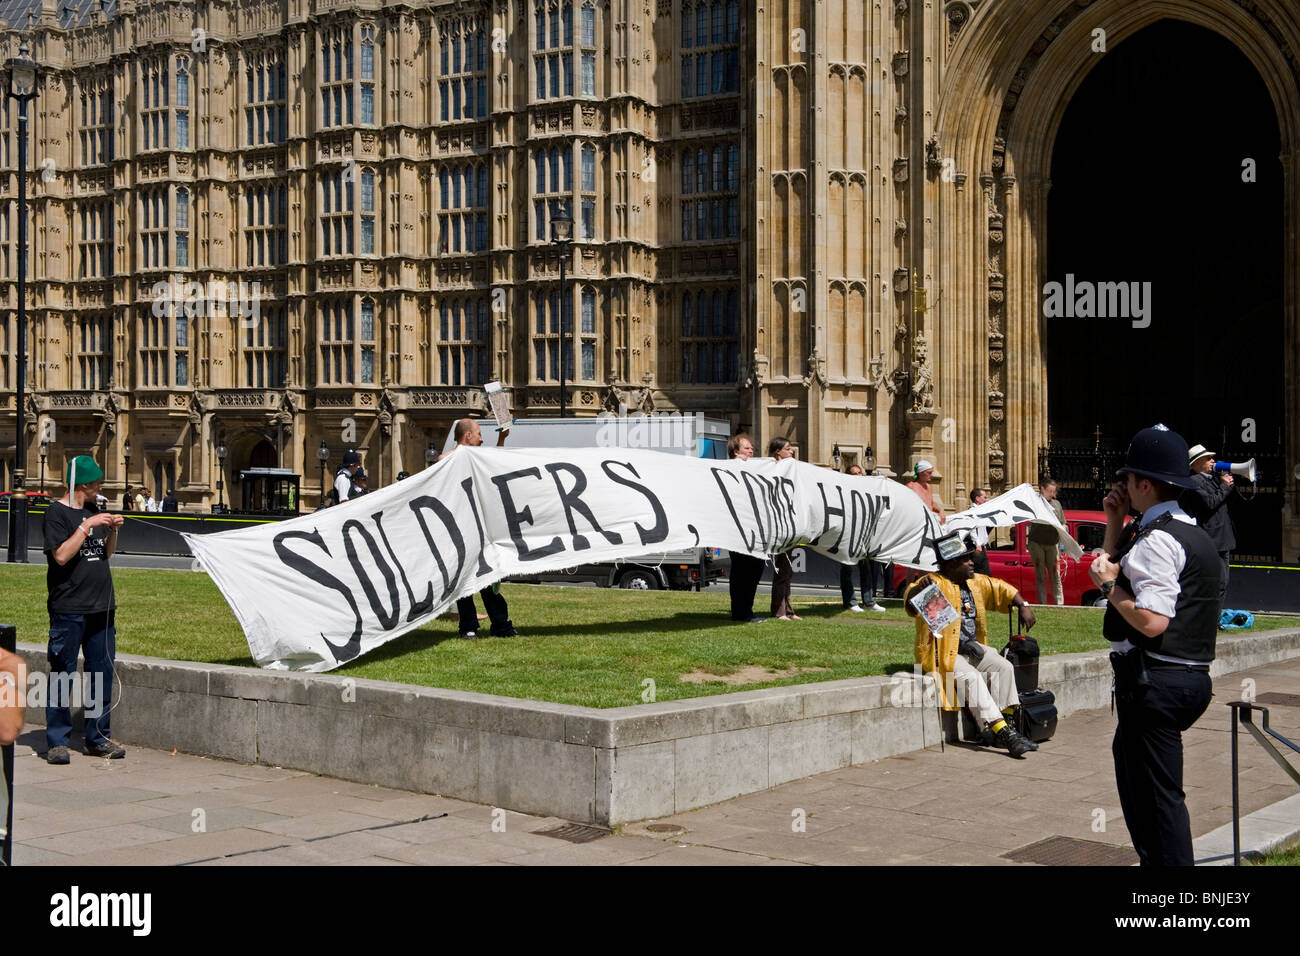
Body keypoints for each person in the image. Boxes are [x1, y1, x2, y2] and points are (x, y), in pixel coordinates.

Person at [1088, 424, 1219, 867]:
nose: (1120, 486)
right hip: (1185, 679)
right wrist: (1113, 525)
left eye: (1126, 479)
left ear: (1145, 483)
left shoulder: (1158, 539)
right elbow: (1115, 566)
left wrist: (1109, 589)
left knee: (1158, 805)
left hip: (1155, 685)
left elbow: (1150, 619)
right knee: (1142, 784)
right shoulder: (1186, 529)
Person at [904, 531, 1039, 757]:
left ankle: (1004, 726)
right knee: (972, 677)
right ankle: (1004, 734)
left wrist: (1023, 604)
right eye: (966, 559)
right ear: (951, 564)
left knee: (1003, 667)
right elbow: (910, 601)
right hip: (945, 654)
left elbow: (1002, 588)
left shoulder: (975, 583)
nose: (972, 562)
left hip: (972, 649)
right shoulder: (934, 584)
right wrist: (918, 590)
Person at [43, 455, 127, 764]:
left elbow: (105, 553)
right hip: (68, 608)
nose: (100, 489)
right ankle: (57, 742)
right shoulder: (56, 513)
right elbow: (62, 556)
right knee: (62, 674)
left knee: (101, 675)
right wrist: (87, 525)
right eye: (97, 484)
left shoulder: (95, 509)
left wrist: (113, 529)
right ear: (82, 485)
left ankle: (98, 738)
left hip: (101, 608)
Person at [441, 418, 517, 638]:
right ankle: (469, 626)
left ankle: (501, 624)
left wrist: (502, 438)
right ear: (467, 436)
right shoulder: (447, 461)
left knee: (489, 577)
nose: (482, 439)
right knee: (464, 581)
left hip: (481, 529)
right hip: (459, 531)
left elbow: (495, 464)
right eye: (479, 434)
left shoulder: (476, 458)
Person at [1180, 444, 1236, 616]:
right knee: (1218, 582)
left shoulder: (1211, 479)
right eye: (1208, 459)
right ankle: (1211, 618)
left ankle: (1214, 617)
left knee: (1223, 581)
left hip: (1221, 537)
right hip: (1213, 538)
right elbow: (1210, 503)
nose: (1213, 461)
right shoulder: (1194, 482)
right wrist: (1225, 487)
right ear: (1197, 463)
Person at [725, 432, 766, 624]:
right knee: (742, 573)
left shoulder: (755, 470)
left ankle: (747, 610)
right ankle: (741, 613)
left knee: (754, 571)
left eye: (752, 448)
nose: (751, 451)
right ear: (735, 451)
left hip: (754, 531)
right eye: (747, 448)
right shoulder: (729, 470)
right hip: (738, 532)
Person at [841, 465, 886, 612]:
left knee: (866, 568)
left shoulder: (865, 488)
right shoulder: (844, 489)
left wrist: (881, 481)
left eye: (860, 473)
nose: (858, 475)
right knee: (847, 568)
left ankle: (869, 601)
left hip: (863, 534)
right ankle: (850, 602)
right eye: (855, 473)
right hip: (848, 534)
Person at [767, 438, 801, 621]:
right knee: (781, 569)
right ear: (777, 451)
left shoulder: (792, 469)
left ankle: (788, 609)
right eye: (788, 449)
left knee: (787, 570)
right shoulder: (773, 468)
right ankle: (778, 610)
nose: (792, 452)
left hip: (790, 524)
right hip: (780, 525)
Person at [1028, 477, 1065, 605]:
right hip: (1037, 542)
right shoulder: (1035, 502)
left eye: (1054, 492)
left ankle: (1059, 604)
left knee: (1055, 574)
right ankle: (1042, 603)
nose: (1052, 494)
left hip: (1052, 543)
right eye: (1050, 491)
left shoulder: (1057, 504)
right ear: (1042, 489)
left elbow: (1063, 523)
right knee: (1040, 574)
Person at [906, 460, 946, 526]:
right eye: (929, 473)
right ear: (921, 473)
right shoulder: (911, 487)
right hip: (916, 523)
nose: (931, 475)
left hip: (928, 522)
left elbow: (931, 503)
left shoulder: (928, 486)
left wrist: (940, 511)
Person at [968, 488, 992, 575]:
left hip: (981, 547)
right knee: (982, 574)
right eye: (984, 497)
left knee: (984, 574)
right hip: (977, 548)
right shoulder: (972, 511)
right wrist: (978, 544)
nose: (986, 500)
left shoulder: (979, 511)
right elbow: (972, 529)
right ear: (977, 498)